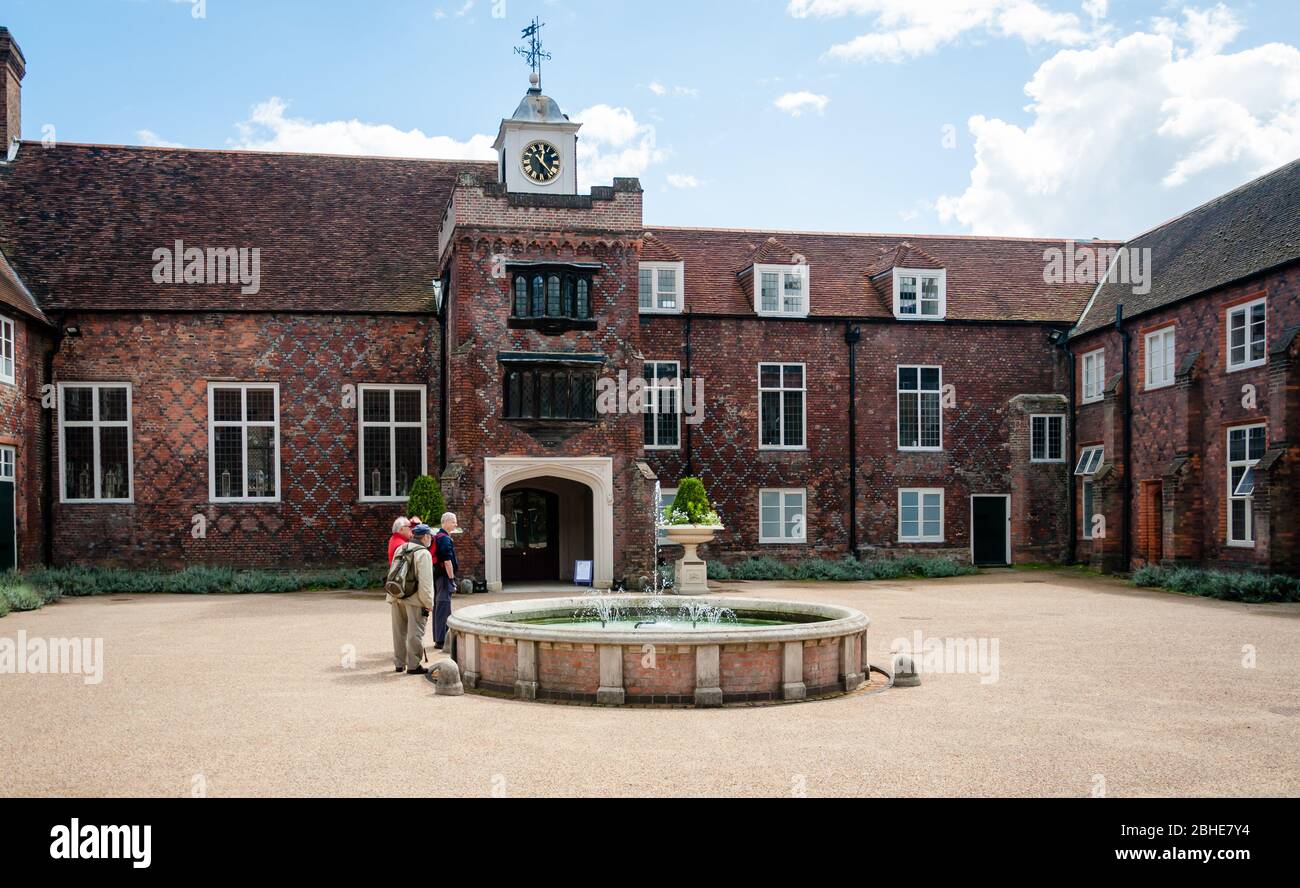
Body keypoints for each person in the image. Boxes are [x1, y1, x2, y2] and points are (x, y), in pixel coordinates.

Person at [388, 524, 436, 675]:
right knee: (415, 632)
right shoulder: (423, 553)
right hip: (415, 599)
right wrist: (428, 603)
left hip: (396, 595)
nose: (431, 540)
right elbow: (426, 583)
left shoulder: (400, 548)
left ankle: (399, 664)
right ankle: (414, 665)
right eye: (430, 537)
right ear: (426, 537)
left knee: (399, 631)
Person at [431, 512, 459, 650]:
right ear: (446, 522)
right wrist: (452, 579)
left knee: (438, 606)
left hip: (438, 577)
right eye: (454, 521)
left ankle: (438, 637)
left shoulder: (439, 537)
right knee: (443, 606)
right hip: (443, 577)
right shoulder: (445, 539)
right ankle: (441, 639)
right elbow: (447, 561)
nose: (456, 524)